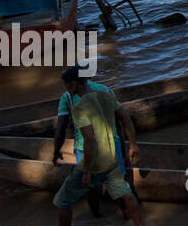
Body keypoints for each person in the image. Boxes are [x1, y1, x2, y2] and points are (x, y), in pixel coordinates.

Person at [54, 67, 137, 217]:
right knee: (119, 184)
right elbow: (120, 122)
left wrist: (56, 152)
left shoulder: (67, 97)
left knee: (89, 186)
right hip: (112, 144)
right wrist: (124, 151)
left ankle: (97, 215)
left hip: (84, 147)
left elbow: (61, 129)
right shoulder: (105, 90)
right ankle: (127, 214)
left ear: (74, 83)